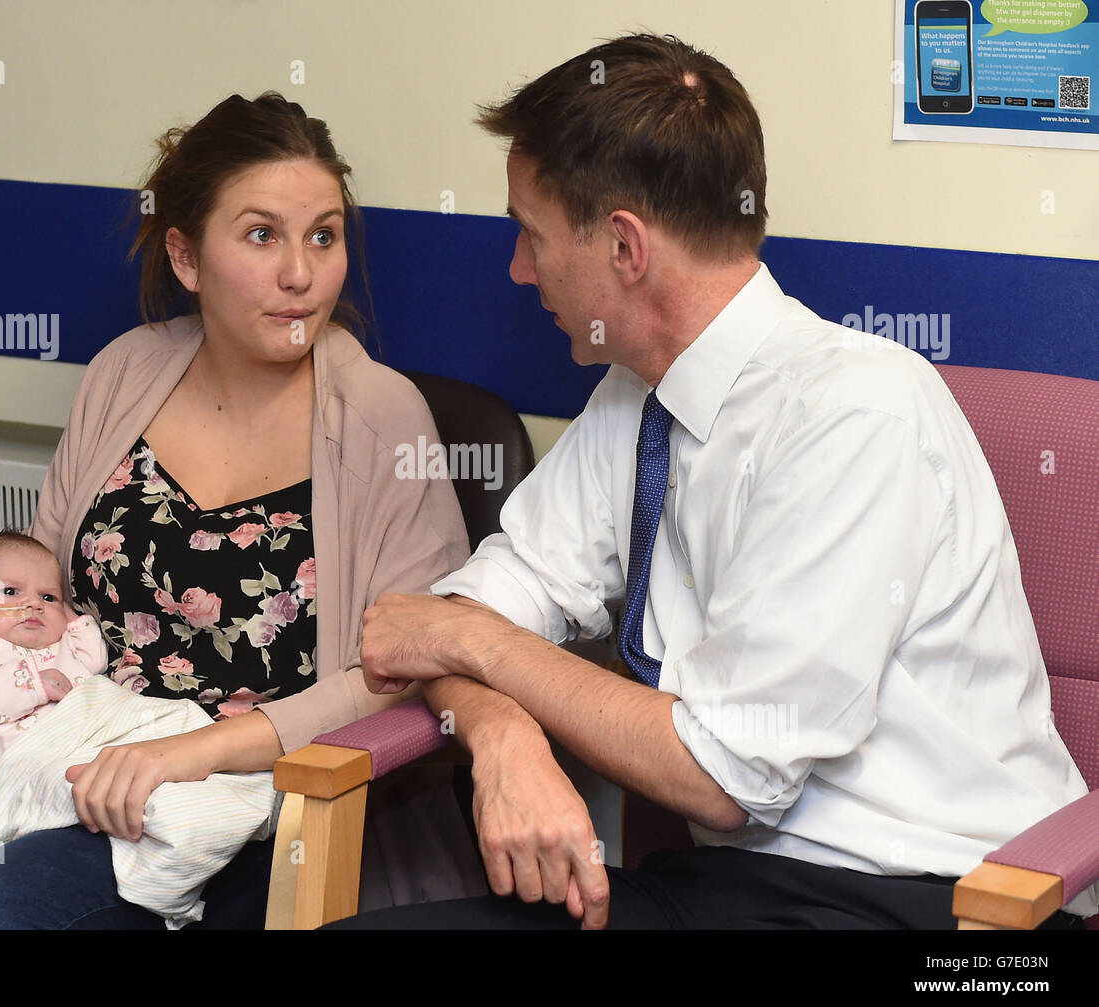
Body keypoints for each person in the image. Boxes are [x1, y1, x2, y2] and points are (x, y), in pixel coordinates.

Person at [349, 33, 1097, 930]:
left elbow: (722, 777)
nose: (517, 266)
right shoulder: (636, 398)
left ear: (624, 246)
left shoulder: (856, 411)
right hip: (728, 895)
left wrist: (478, 650)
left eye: (529, 232)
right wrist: (500, 734)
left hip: (944, 909)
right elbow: (471, 610)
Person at [0, 91, 472, 930]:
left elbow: (407, 675)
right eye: (262, 234)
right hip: (66, 756)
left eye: (324, 234)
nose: (301, 274)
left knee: (9, 906)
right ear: (187, 257)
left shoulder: (383, 419)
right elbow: (38, 587)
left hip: (250, 801)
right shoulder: (125, 372)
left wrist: (186, 754)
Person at [0, 531, 108, 785]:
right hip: (29, 772)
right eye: (10, 591)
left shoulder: (62, 644)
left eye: (48, 597)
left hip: (97, 750)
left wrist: (65, 616)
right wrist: (35, 684)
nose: (33, 603)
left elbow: (96, 658)